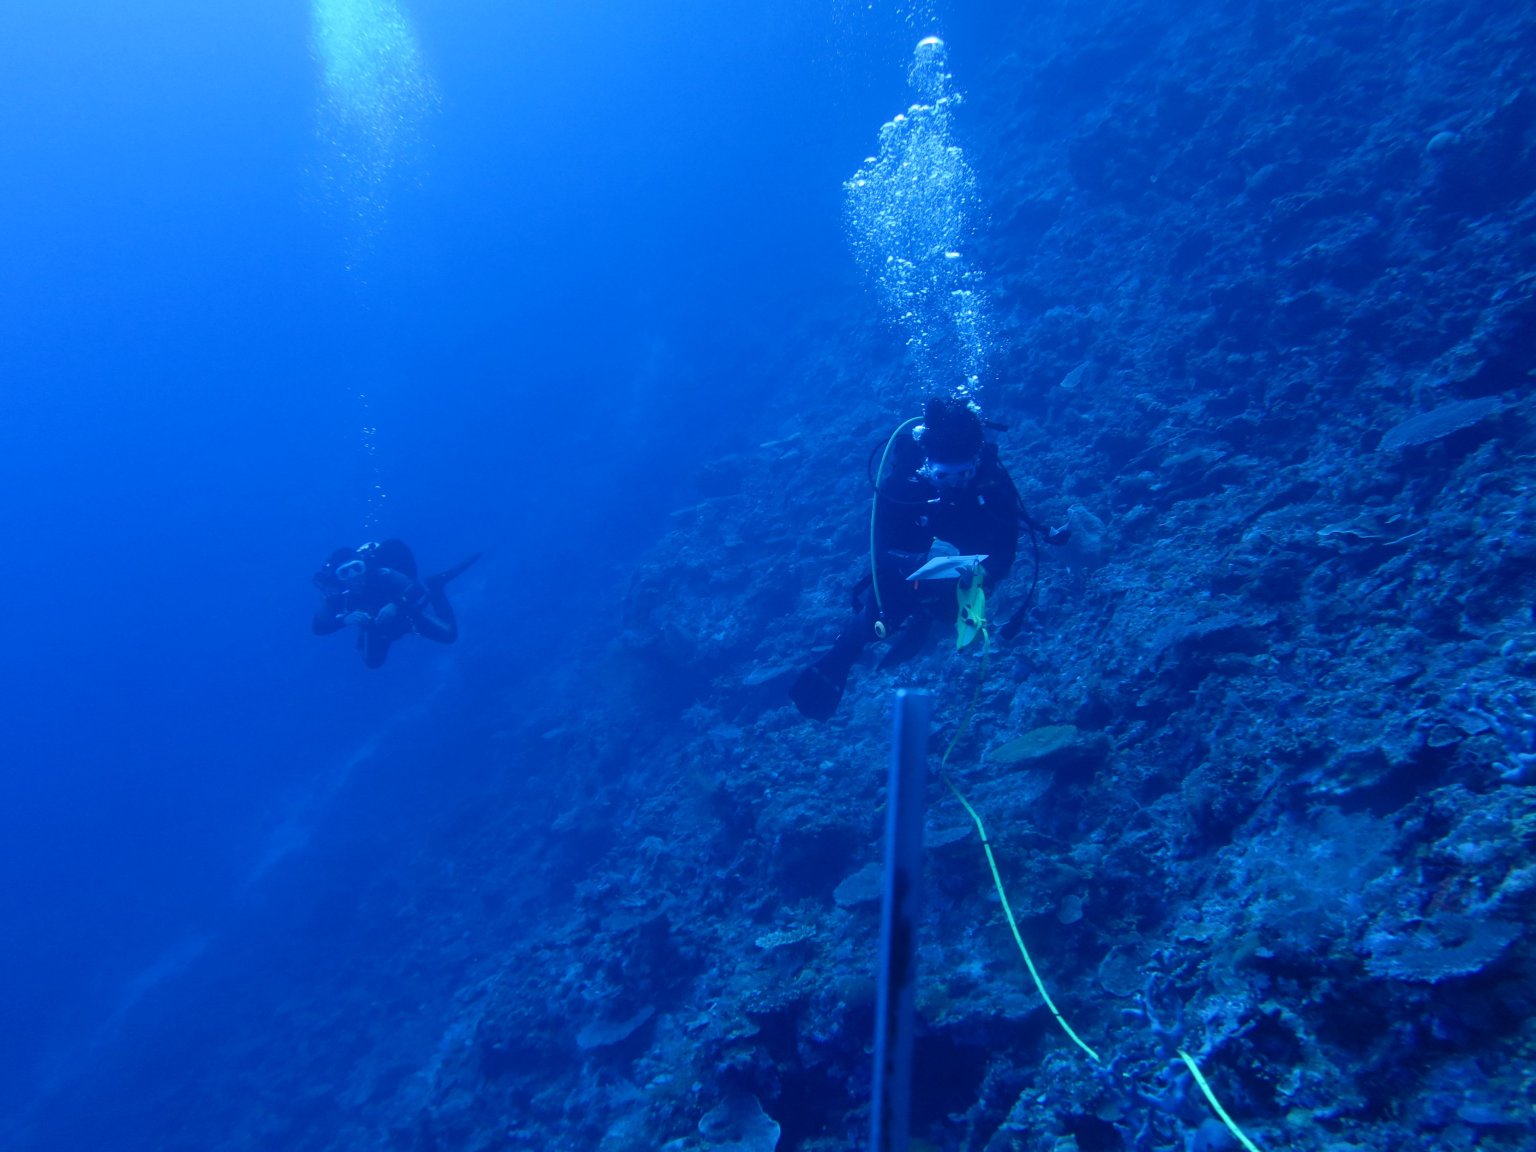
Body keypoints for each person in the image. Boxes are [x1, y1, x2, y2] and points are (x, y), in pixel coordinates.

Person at [789, 394, 1066, 721]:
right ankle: (836, 661)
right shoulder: (903, 485)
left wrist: (973, 572)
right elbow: (881, 555)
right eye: (943, 476)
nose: (954, 485)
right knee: (874, 625)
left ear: (975, 462)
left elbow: (1007, 551)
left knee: (953, 619)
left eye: (963, 474)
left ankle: (925, 620)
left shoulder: (990, 481)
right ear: (927, 465)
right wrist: (923, 558)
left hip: (966, 576)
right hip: (907, 572)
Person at [312, 539, 480, 668]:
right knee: (373, 663)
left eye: (356, 568)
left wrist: (394, 605)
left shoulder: (382, 574)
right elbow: (318, 628)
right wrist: (345, 620)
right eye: (344, 573)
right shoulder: (336, 598)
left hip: (405, 614)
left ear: (365, 565)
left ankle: (435, 586)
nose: (353, 576)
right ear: (338, 578)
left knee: (449, 636)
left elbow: (416, 589)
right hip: (376, 627)